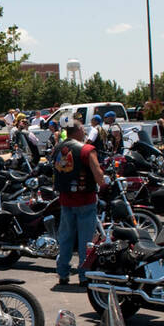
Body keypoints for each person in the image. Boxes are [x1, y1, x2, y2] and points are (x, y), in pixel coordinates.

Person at [51, 119, 106, 287]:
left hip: (66, 200)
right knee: (86, 241)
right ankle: (84, 276)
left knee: (66, 238)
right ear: (79, 130)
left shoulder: (58, 149)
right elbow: (97, 173)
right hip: (85, 200)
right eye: (83, 129)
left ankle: (63, 274)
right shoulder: (87, 149)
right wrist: (104, 184)